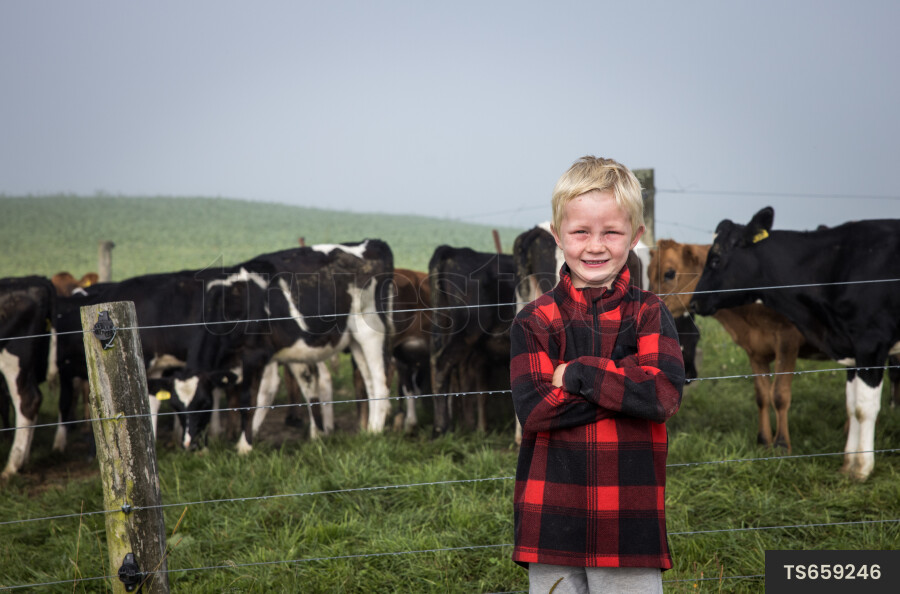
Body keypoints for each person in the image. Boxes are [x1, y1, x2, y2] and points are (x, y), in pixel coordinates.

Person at [510, 156, 685, 593]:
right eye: (580, 232)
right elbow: (533, 410)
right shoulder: (533, 320)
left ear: (636, 236)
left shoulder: (649, 312)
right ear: (557, 235)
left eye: (612, 232)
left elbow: (662, 395)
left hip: (629, 516)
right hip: (550, 513)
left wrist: (575, 374)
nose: (595, 246)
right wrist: (626, 387)